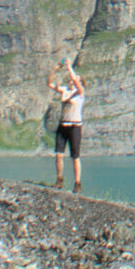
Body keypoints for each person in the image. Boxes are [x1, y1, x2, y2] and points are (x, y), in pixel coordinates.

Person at [48, 61, 85, 192]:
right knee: (58, 154)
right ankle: (59, 179)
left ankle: (77, 183)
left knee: (75, 156)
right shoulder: (65, 90)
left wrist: (69, 66)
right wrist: (54, 70)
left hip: (75, 127)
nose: (72, 80)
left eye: (76, 79)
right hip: (63, 126)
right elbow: (50, 84)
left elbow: (75, 79)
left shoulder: (80, 93)